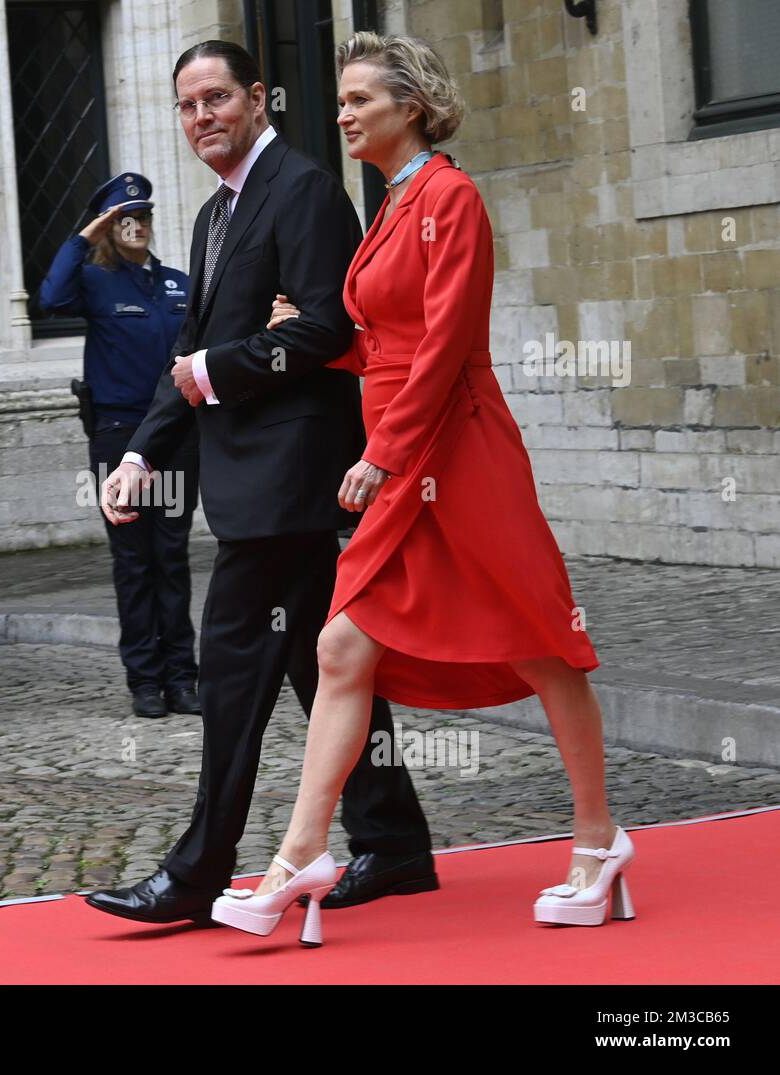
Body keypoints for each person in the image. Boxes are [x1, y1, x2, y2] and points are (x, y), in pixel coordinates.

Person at [209, 32, 632, 945]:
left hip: (458, 453)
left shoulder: (453, 197)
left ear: (413, 106)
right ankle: (301, 853)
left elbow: (445, 348)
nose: (343, 113)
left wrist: (384, 452)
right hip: (406, 448)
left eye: (361, 98)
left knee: (540, 646)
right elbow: (388, 342)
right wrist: (316, 337)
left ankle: (598, 840)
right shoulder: (397, 203)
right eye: (342, 99)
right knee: (340, 647)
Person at [86, 40, 433, 927]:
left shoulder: (307, 189)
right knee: (333, 671)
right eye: (186, 105)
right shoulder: (210, 216)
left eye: (217, 99)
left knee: (232, 672)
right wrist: (137, 455)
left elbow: (327, 328)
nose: (202, 117)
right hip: (250, 479)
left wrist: (224, 364)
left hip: (292, 480)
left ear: (258, 98)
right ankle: (393, 842)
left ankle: (200, 869)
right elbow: (187, 362)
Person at [38, 172, 201, 719]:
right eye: (122, 217)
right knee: (134, 560)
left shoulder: (178, 284)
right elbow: (50, 295)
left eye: (144, 215)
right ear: (109, 228)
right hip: (117, 437)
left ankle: (182, 676)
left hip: (174, 438)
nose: (137, 224)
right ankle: (146, 681)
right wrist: (87, 236)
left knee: (171, 558)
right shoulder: (93, 281)